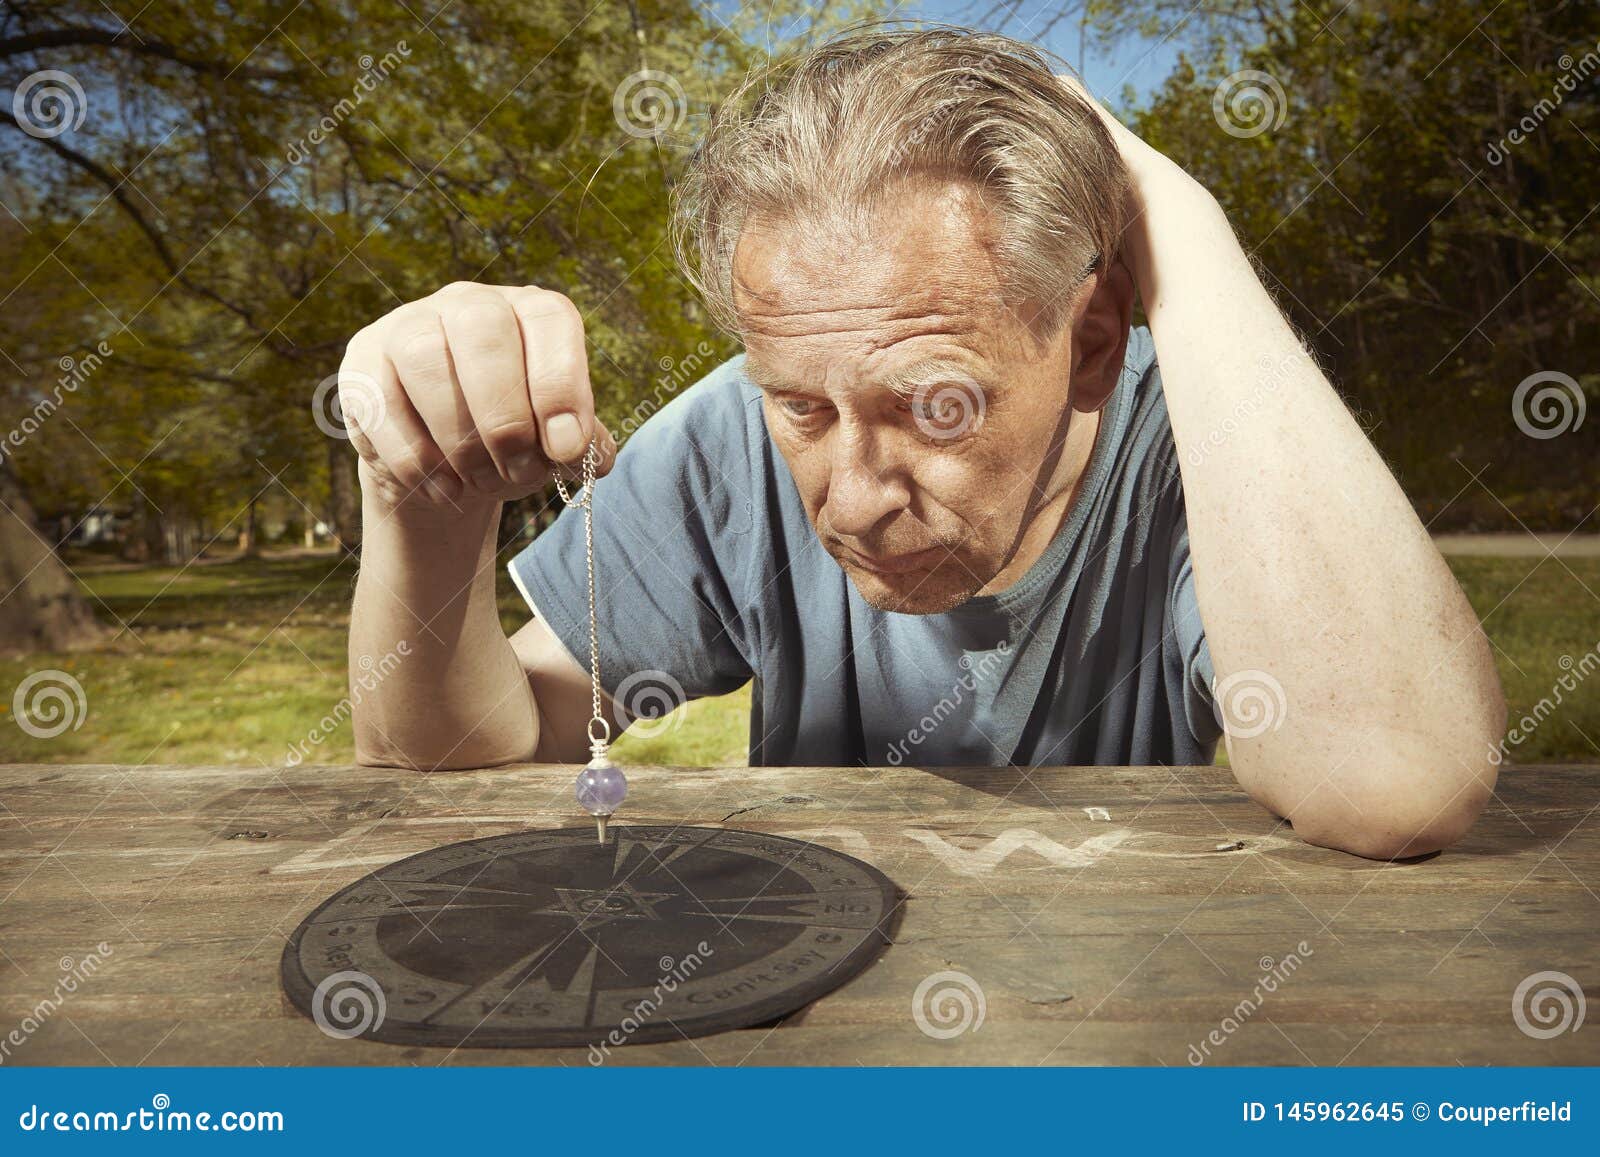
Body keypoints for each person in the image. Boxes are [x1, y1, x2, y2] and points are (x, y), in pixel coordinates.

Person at [338, 28, 1505, 860]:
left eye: (934, 406)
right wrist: (421, 507)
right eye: (802, 406)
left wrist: (1178, 227)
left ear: (1093, 341)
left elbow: (1393, 780)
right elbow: (462, 753)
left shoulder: (1203, 451)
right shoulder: (730, 428)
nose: (850, 501)